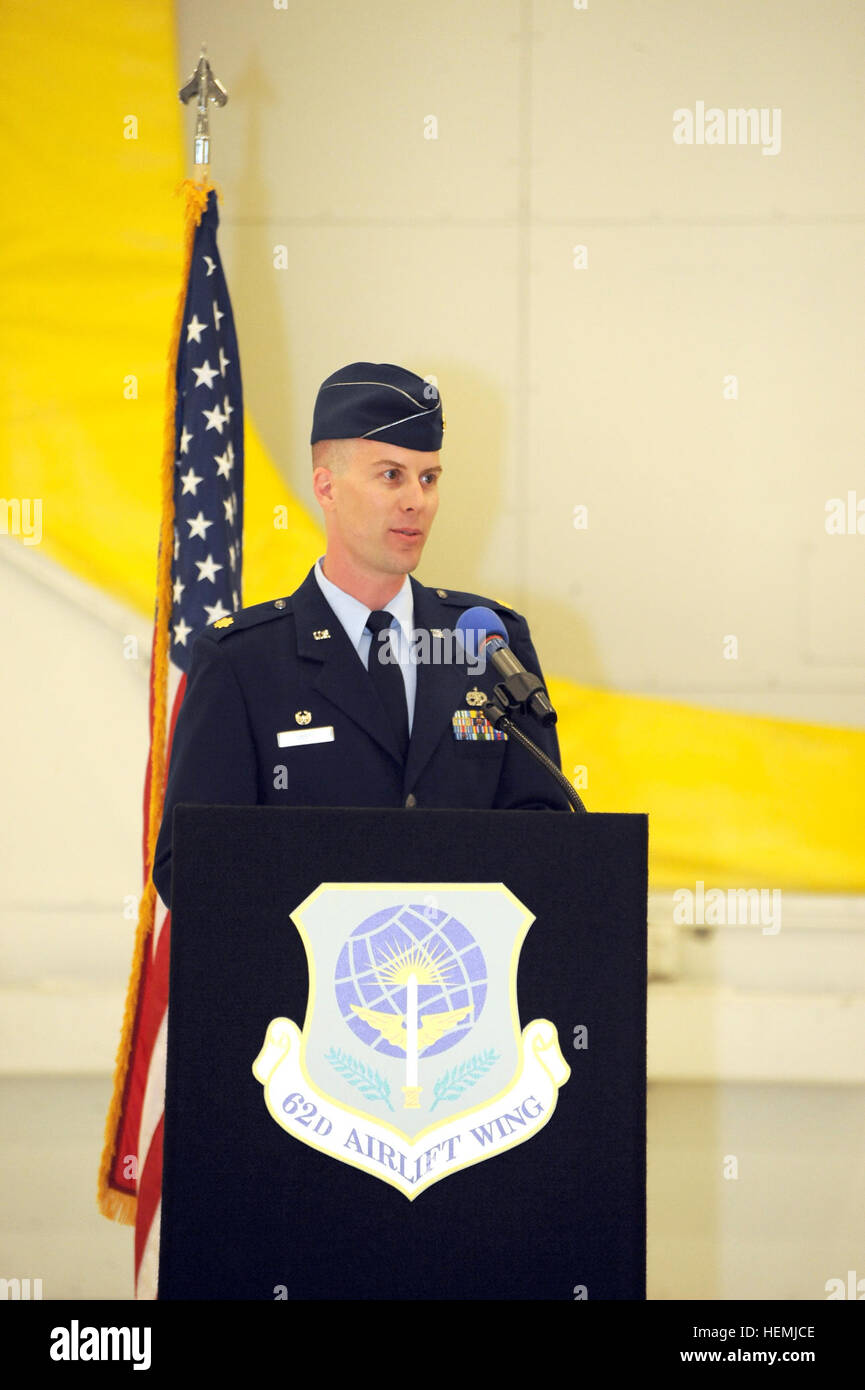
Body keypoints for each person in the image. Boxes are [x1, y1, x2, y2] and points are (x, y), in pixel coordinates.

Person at [152, 362, 574, 905]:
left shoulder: (487, 642)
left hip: (459, 976)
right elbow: (189, 864)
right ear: (326, 487)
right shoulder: (244, 660)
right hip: (304, 982)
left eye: (429, 478)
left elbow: (546, 833)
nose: (416, 501)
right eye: (391, 475)